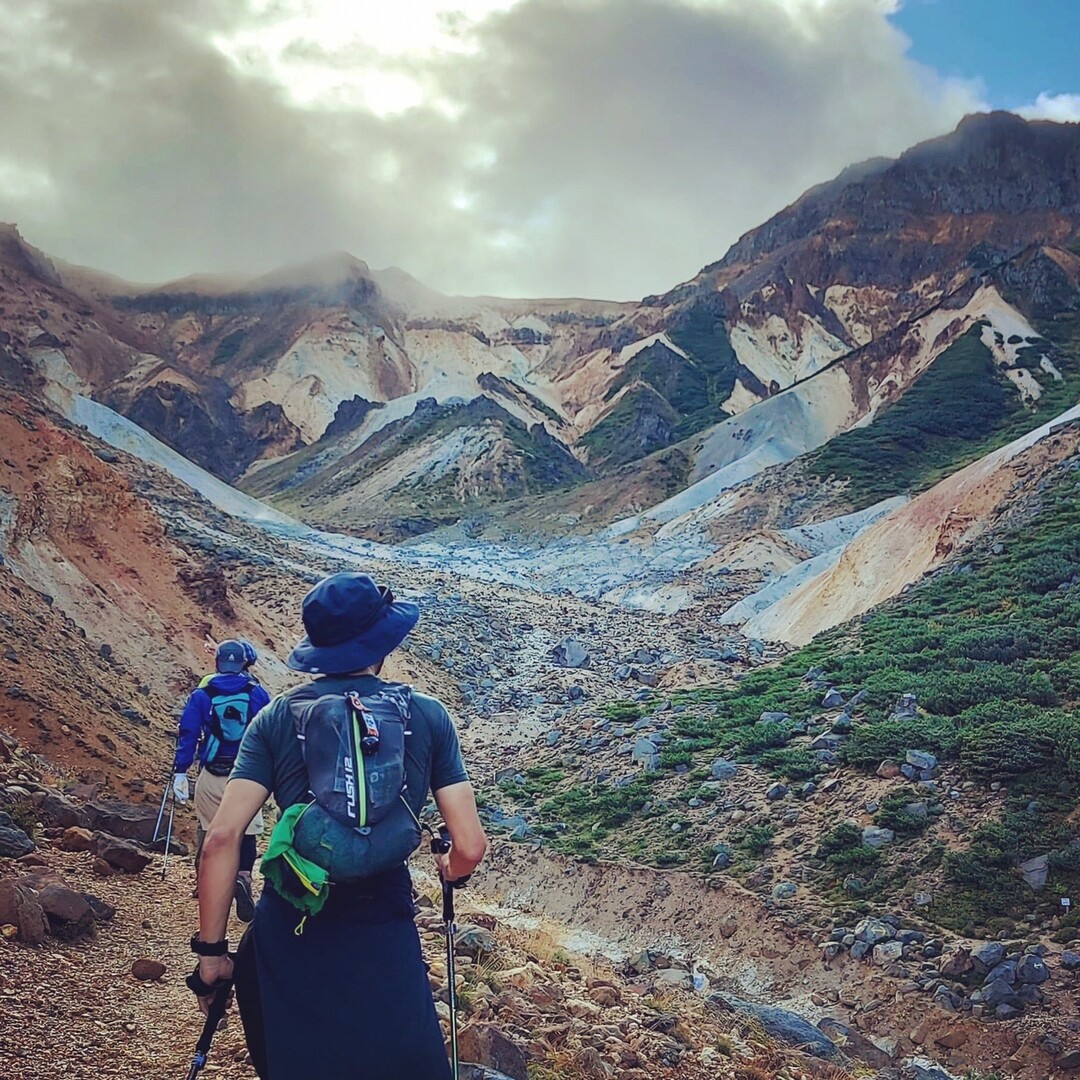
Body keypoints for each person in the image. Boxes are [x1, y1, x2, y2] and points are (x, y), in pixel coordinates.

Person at [190, 573, 487, 1079]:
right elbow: (471, 846)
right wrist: (451, 868)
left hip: (293, 920)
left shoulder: (278, 718)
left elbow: (220, 841)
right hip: (383, 922)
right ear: (382, 643)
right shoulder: (428, 715)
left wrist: (213, 954)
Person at [174, 638, 271, 922]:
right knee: (247, 832)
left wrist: (181, 770)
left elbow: (188, 732)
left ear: (218, 663)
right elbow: (268, 731)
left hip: (212, 772)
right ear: (244, 663)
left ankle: (206, 883)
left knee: (209, 829)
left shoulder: (202, 695)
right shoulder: (256, 693)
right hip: (247, 775)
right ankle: (243, 878)